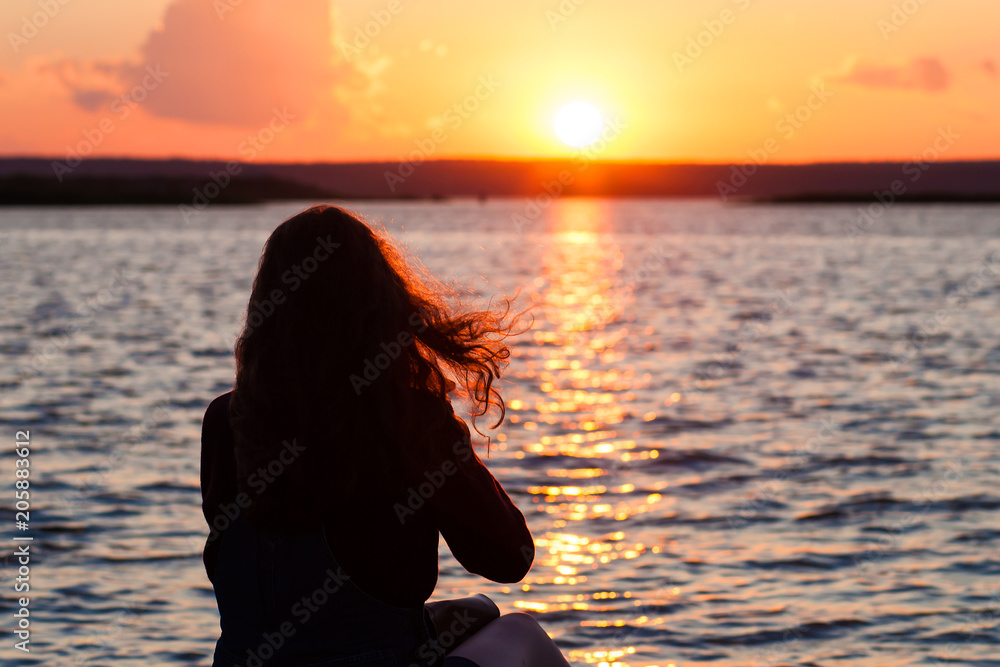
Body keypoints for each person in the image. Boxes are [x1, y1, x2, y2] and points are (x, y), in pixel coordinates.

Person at [200, 204, 572, 667]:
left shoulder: (225, 420)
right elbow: (510, 558)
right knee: (519, 631)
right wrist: (448, 448)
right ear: (383, 310)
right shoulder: (403, 416)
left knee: (477, 612)